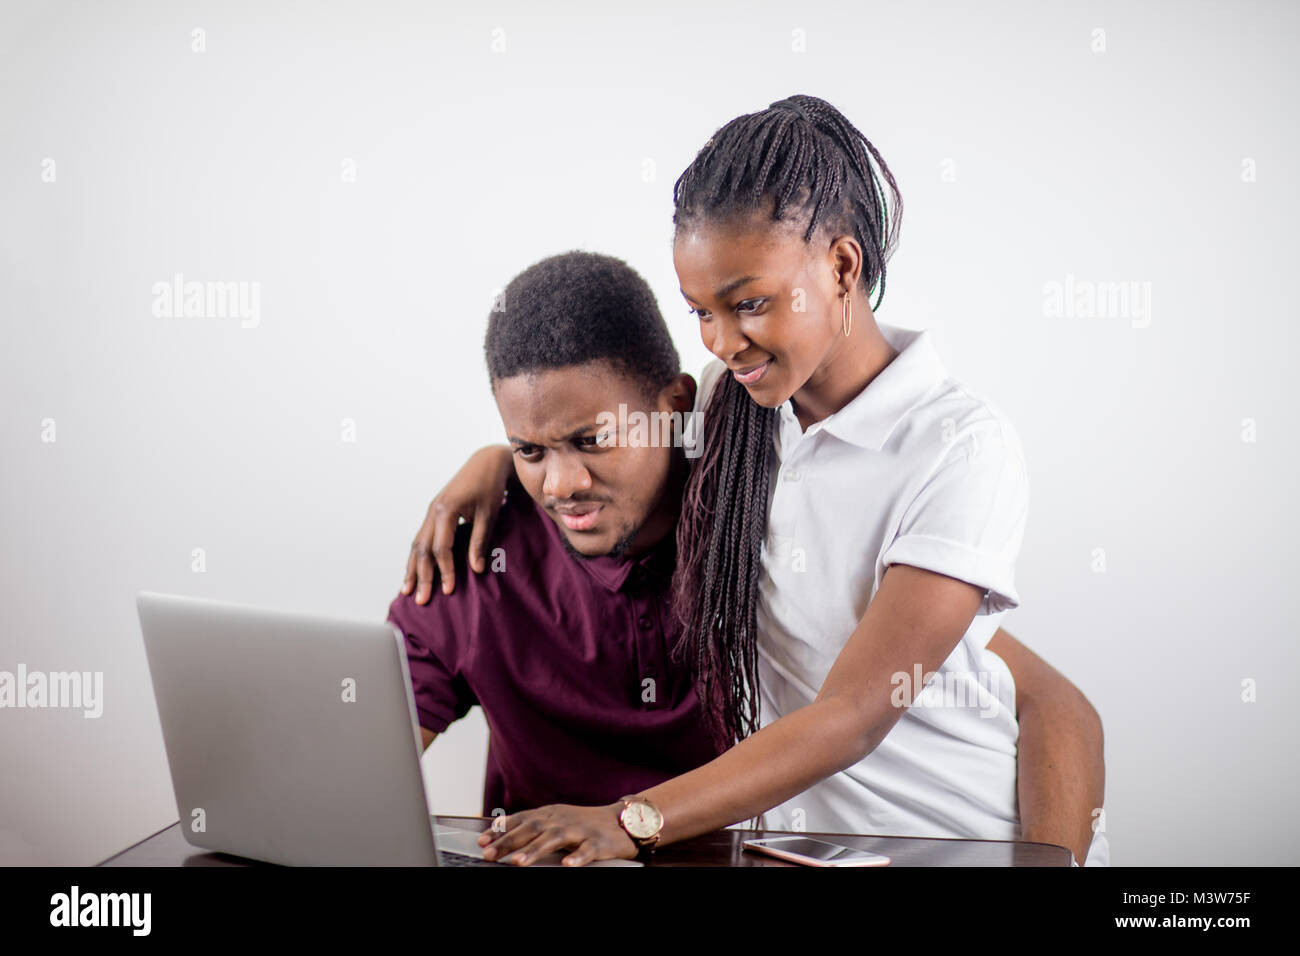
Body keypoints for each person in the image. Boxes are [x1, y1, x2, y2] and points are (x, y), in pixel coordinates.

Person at [400, 246, 1106, 864]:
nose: (561, 485)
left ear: (675, 408)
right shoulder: (472, 560)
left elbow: (1044, 699)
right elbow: (354, 762)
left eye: (592, 441)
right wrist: (495, 460)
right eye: (531, 450)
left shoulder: (758, 530)